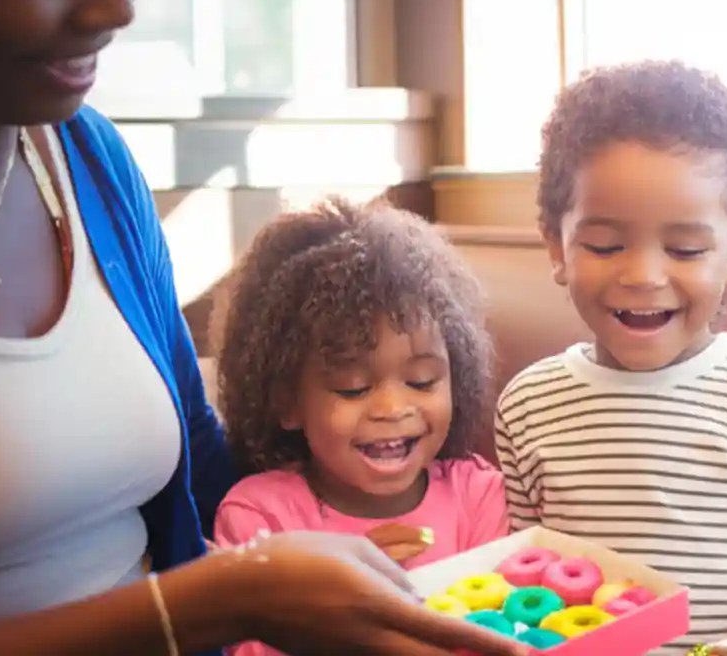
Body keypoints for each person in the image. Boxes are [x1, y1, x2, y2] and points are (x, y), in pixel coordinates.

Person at [0, 0, 523, 654]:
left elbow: (196, 446)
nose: (118, 4)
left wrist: (329, 528)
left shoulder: (94, 163)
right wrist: (230, 598)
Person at [493, 61, 727, 655]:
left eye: (685, 248)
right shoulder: (529, 405)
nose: (643, 275)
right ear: (556, 248)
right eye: (605, 245)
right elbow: (514, 575)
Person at [212, 198, 510, 655]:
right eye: (352, 388)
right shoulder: (260, 519)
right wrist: (341, 602)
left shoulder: (478, 496)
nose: (392, 407)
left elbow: (505, 631)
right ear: (287, 402)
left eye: (421, 380)